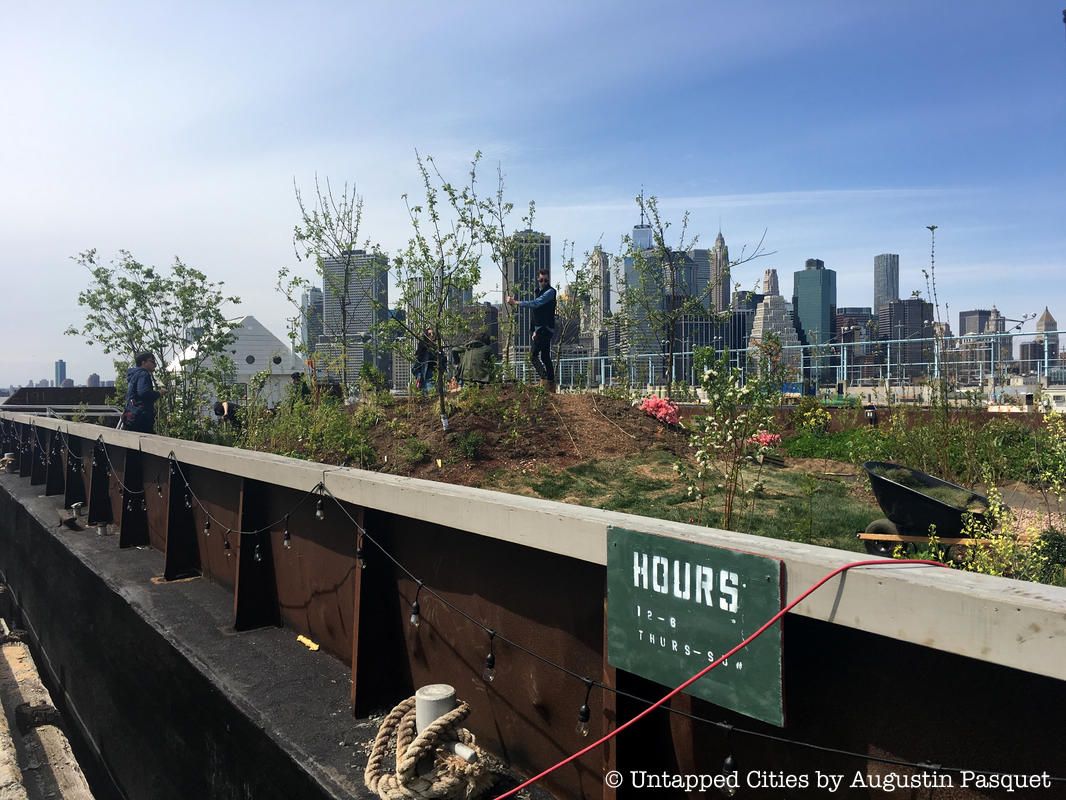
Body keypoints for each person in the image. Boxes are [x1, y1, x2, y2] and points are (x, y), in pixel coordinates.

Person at [507, 268, 557, 392]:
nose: (543, 282)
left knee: (533, 356)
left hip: (545, 329)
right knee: (545, 356)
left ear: (548, 280)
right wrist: (534, 330)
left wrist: (515, 302)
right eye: (541, 280)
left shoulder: (550, 292)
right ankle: (550, 383)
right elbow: (537, 313)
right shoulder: (538, 291)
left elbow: (536, 304)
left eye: (545, 280)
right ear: (538, 280)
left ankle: (545, 380)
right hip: (541, 329)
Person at [123, 352, 163, 433]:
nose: (155, 365)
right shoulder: (143, 373)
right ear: (143, 362)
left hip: (132, 415)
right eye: (152, 362)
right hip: (141, 417)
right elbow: (143, 392)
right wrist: (159, 393)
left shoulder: (134, 374)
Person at [412, 327, 439, 395]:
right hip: (426, 378)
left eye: (433, 334)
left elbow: (444, 362)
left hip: (436, 378)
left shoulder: (437, 349)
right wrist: (419, 377)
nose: (432, 335)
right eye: (429, 334)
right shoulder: (423, 350)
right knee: (429, 398)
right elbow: (415, 367)